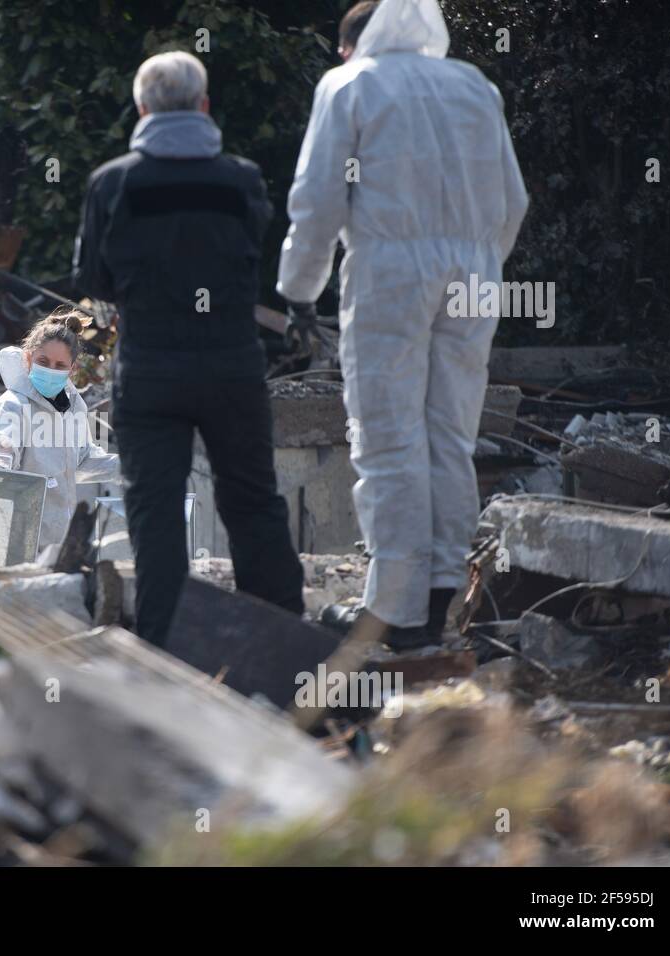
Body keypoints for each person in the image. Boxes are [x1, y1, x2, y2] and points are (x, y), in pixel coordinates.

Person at [276, 0, 529, 648]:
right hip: (473, 273)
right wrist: (478, 263)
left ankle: (393, 611)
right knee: (450, 433)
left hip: (392, 271)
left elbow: (318, 199)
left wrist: (300, 290)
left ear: (353, 43)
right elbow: (514, 200)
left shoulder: (351, 84)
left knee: (388, 438)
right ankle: (443, 593)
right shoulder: (475, 87)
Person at [73, 50, 305, 645]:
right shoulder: (243, 179)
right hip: (231, 365)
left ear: (141, 107)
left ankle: (164, 649)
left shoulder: (113, 182)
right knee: (253, 501)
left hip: (150, 371)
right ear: (204, 106)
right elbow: (261, 256)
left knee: (154, 509)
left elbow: (94, 282)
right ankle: (283, 640)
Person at [0, 308, 119, 552]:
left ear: (72, 369)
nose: (51, 369)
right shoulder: (12, 406)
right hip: (15, 541)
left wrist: (130, 467)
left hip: (58, 539)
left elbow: (80, 460)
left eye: (60, 365)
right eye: (43, 362)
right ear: (28, 359)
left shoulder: (74, 409)